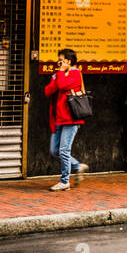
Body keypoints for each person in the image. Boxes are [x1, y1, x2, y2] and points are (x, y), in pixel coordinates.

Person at [45, 48, 89, 190]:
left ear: (69, 61)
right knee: (55, 150)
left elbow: (63, 85)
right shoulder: (60, 75)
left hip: (71, 119)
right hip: (59, 118)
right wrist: (57, 76)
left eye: (61, 60)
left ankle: (65, 181)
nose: (59, 63)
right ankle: (77, 165)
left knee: (64, 150)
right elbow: (48, 91)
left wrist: (59, 74)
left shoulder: (75, 74)